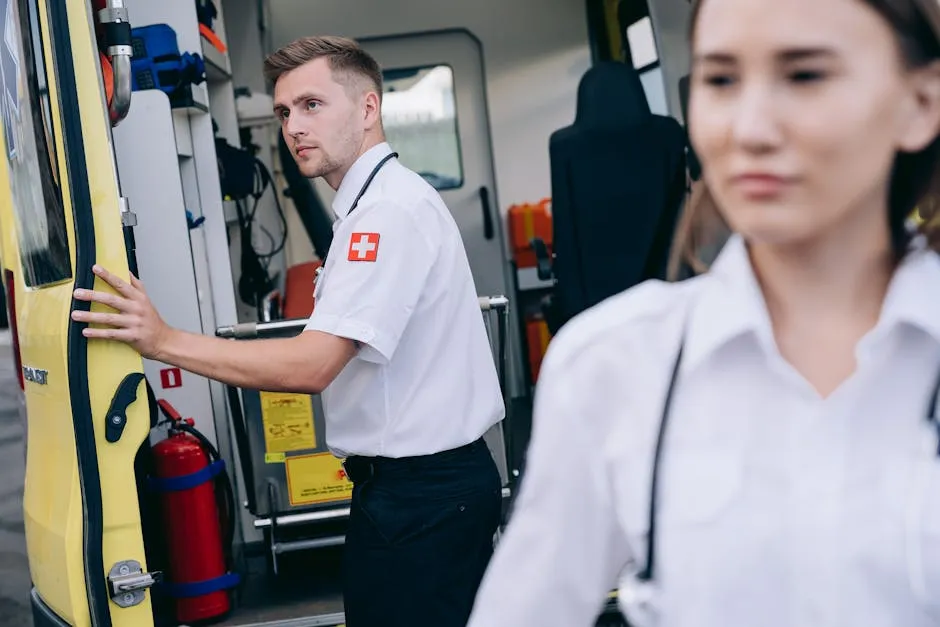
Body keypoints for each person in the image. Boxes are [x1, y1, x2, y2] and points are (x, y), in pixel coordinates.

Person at [467, 0, 940, 625]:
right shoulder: (613, 366)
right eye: (720, 80)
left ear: (921, 104)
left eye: (804, 76)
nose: (749, 129)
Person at [73, 35, 504, 627]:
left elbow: (311, 366)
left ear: (369, 108)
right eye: (283, 112)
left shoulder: (385, 214)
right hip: (418, 492)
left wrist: (161, 339)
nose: (293, 127)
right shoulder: (374, 205)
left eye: (312, 105)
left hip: (423, 497)